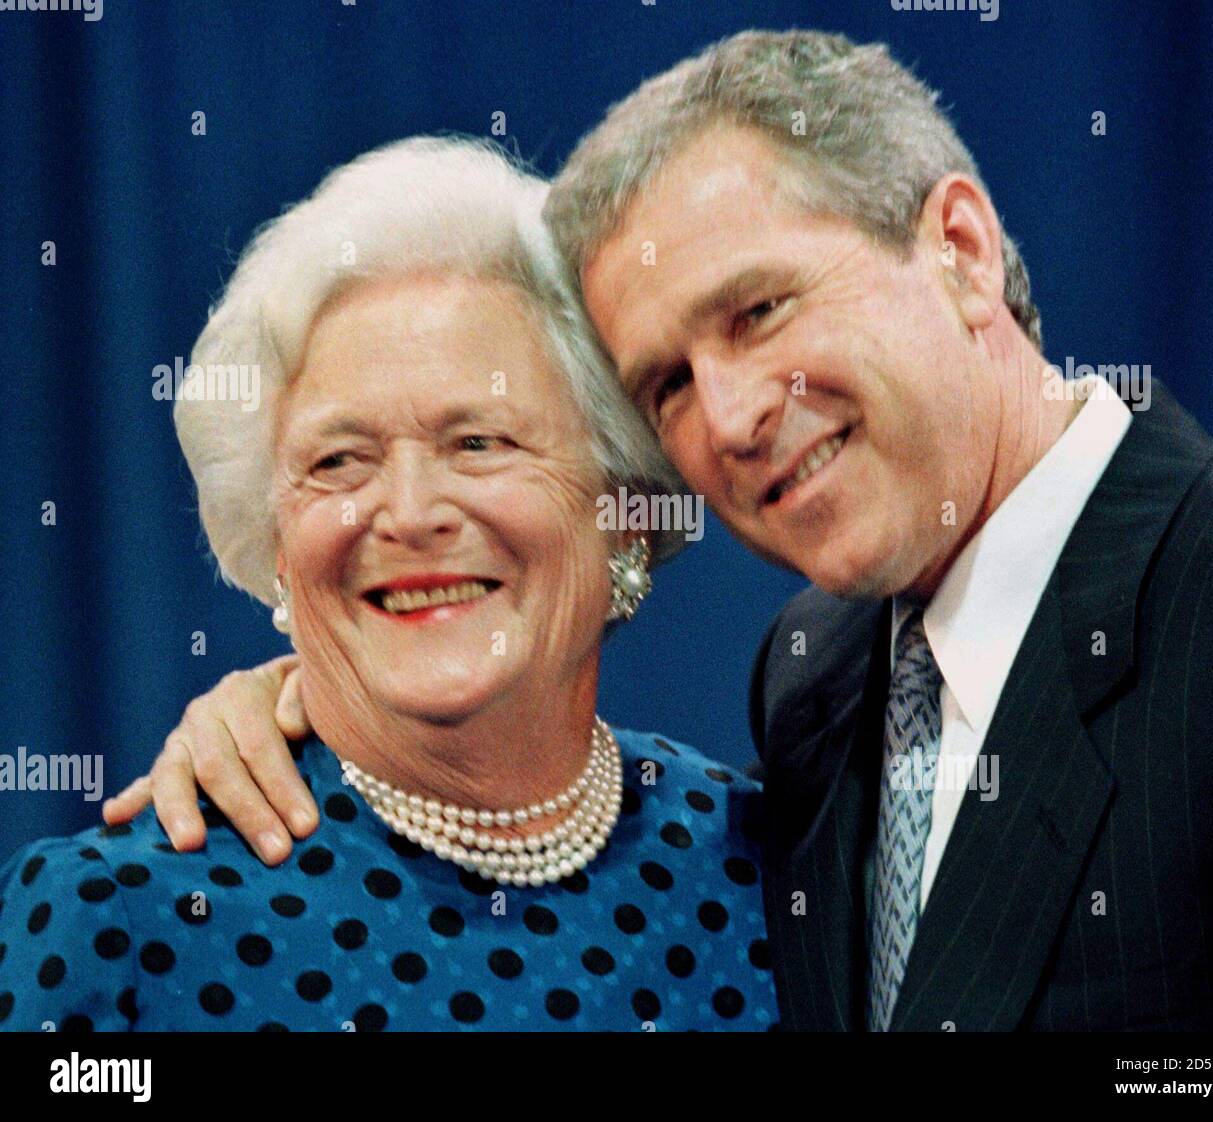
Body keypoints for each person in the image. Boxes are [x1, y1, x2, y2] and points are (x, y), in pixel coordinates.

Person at [108, 31, 1213, 1032]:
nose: (729, 417)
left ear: (961, 253)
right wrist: (299, 690)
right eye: (667, 382)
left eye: (760, 309)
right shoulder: (816, 683)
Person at [0, 137, 777, 1032]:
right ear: (278, 546)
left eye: (478, 443)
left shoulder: (776, 871)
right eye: (339, 460)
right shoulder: (120, 924)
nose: (408, 513)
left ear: (627, 508)